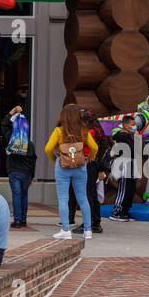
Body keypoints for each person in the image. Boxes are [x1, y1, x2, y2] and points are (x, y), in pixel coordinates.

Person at [45, 103, 96, 240]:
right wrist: (89, 158)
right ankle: (88, 230)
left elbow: (48, 149)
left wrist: (54, 159)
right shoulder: (84, 131)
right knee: (83, 198)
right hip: (80, 166)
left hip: (63, 166)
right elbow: (94, 147)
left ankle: (66, 230)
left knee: (63, 198)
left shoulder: (59, 131)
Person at [3, 104, 36, 228]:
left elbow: (4, 124)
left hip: (14, 171)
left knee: (16, 195)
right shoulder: (29, 144)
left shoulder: (11, 140)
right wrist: (32, 175)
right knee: (24, 195)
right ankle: (23, 219)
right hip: (26, 173)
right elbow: (33, 160)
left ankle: (17, 220)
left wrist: (12, 111)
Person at [107, 113, 138, 222]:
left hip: (131, 164)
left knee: (130, 188)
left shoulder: (129, 136)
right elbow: (117, 137)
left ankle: (125, 211)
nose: (134, 126)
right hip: (124, 164)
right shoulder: (121, 135)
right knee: (124, 188)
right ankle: (116, 211)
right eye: (132, 124)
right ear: (125, 125)